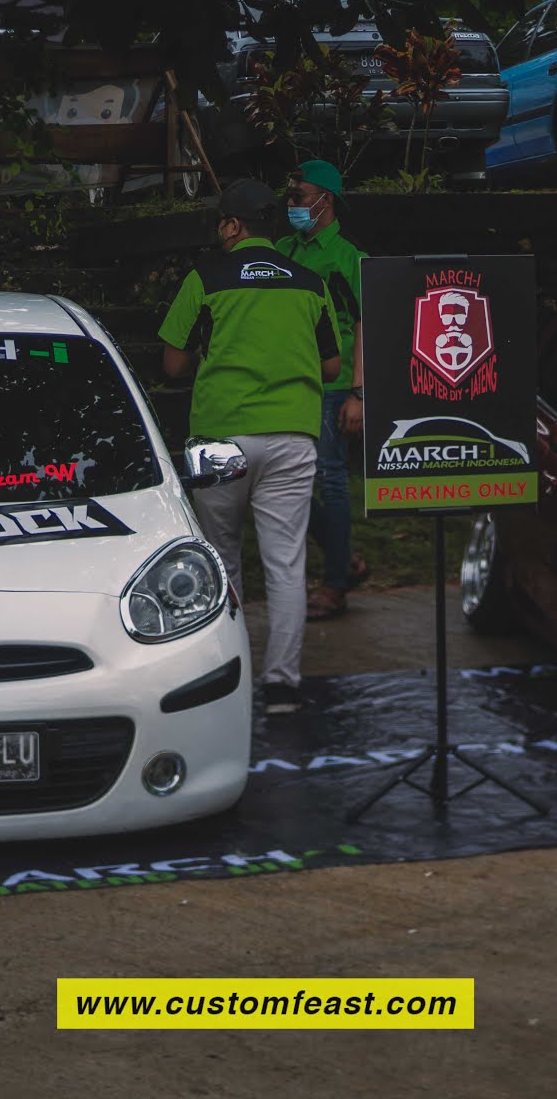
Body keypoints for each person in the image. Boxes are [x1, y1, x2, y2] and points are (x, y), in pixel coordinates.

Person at [160, 179, 341, 714]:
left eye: (222, 221)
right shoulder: (309, 282)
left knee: (220, 559)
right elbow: (331, 365)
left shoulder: (206, 277)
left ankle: (228, 678)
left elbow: (172, 363)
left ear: (234, 226)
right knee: (286, 564)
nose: (219, 229)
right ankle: (283, 684)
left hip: (219, 436)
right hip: (292, 435)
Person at [276, 159, 369, 622]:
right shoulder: (282, 250)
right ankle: (343, 558)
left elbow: (365, 324)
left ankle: (335, 583)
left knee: (330, 478)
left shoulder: (349, 258)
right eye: (289, 196)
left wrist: (359, 393)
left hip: (333, 388)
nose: (291, 203)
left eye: (299, 196)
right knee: (284, 482)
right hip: (290, 383)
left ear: (324, 200)